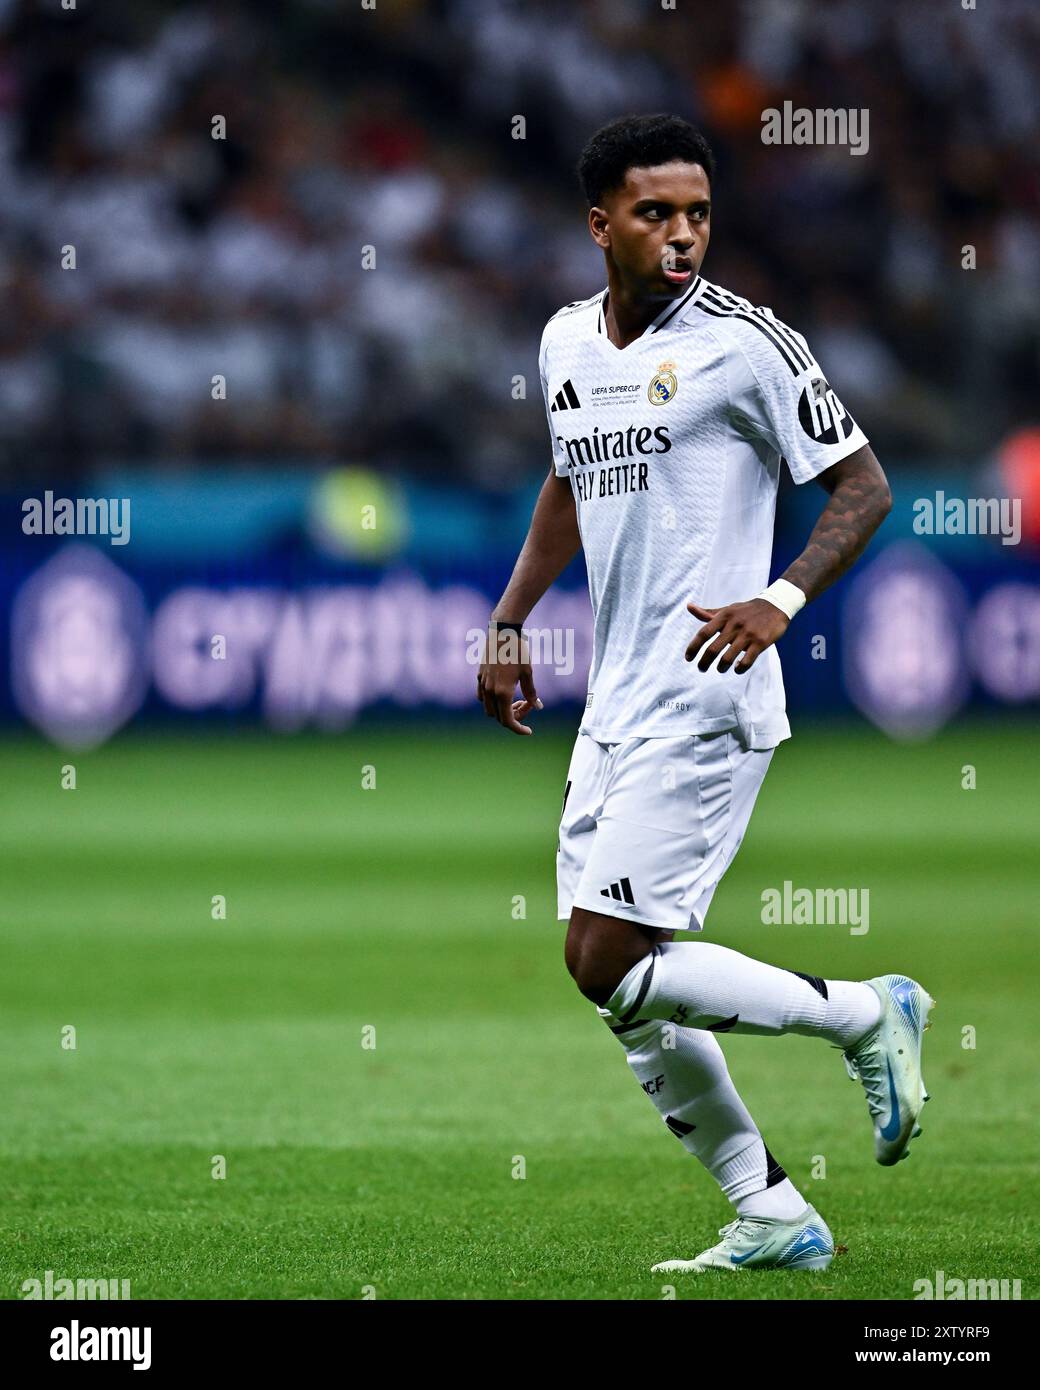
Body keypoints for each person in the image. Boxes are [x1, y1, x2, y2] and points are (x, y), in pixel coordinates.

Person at [477, 113, 933, 1273]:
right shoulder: (565, 343)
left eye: (696, 213)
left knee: (607, 957)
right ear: (600, 226)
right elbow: (567, 480)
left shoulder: (746, 344)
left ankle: (862, 1012)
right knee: (621, 995)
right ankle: (770, 1208)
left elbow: (862, 486)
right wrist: (510, 617)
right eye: (653, 213)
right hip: (616, 701)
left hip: (710, 693)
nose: (681, 235)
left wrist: (777, 599)